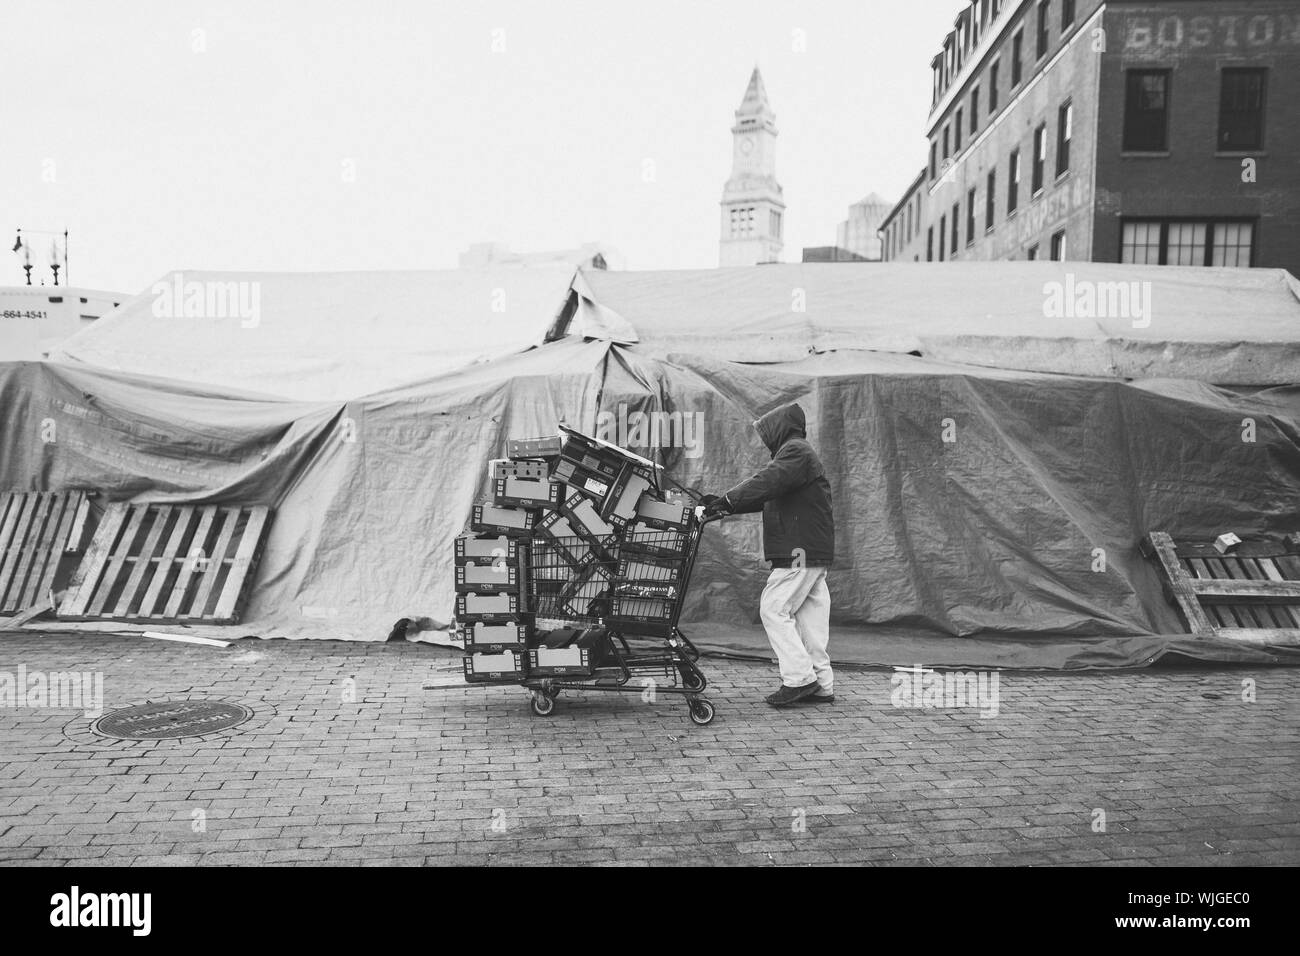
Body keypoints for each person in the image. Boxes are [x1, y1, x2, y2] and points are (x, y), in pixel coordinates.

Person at [702, 403, 835, 708]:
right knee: (809, 619)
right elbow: (768, 492)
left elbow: (766, 482)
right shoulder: (799, 454)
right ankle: (822, 684)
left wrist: (727, 500)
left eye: (767, 431)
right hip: (813, 549)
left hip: (799, 550)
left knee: (773, 608)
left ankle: (800, 680)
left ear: (779, 428)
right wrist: (724, 505)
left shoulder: (795, 452)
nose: (764, 438)